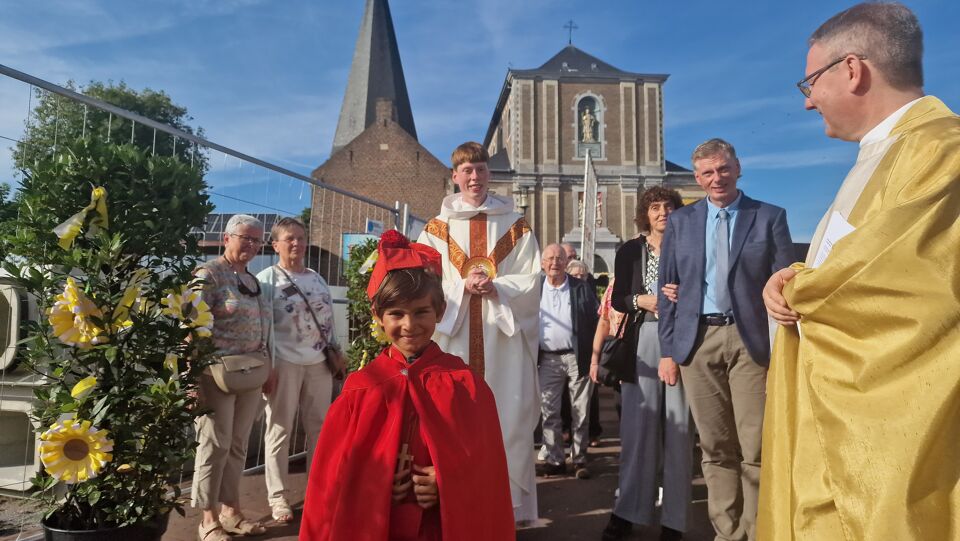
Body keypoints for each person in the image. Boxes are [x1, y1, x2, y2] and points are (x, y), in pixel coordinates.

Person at [759, 4, 960, 539]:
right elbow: (860, 263)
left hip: (885, 439)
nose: (806, 102)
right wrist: (794, 278)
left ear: (853, 69)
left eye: (810, 80)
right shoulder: (886, 154)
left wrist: (800, 287)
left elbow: (911, 293)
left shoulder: (941, 149)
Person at [299, 230, 515, 541]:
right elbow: (332, 480)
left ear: (439, 312)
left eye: (421, 312)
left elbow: (486, 472)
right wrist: (377, 481)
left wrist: (446, 481)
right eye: (396, 314)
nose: (409, 325)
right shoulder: (360, 390)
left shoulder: (466, 385)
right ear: (378, 316)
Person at [657, 139, 794, 541]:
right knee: (715, 446)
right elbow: (668, 289)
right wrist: (668, 351)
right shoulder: (681, 222)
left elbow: (787, 283)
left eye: (723, 169)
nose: (716, 178)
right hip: (696, 342)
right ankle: (728, 532)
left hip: (750, 341)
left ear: (738, 168)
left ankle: (757, 530)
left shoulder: (769, 217)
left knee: (755, 445)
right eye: (707, 172)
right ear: (697, 178)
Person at [417, 141, 541, 523]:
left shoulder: (515, 224)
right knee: (451, 419)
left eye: (481, 169)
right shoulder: (436, 229)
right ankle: (453, 503)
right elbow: (424, 280)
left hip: (501, 338)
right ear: (455, 177)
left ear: (489, 173)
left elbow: (532, 279)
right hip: (453, 337)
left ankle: (506, 507)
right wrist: (460, 288)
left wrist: (497, 287)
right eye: (467, 171)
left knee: (508, 414)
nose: (475, 177)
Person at [600, 187, 691, 541]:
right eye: (654, 207)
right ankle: (628, 511)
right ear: (645, 214)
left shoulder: (688, 245)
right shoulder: (629, 250)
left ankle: (675, 520)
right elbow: (620, 300)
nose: (662, 212)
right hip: (643, 340)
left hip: (683, 341)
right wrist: (642, 299)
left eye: (668, 206)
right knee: (638, 433)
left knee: (680, 432)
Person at [256, 217, 343, 524]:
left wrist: (336, 352)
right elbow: (259, 326)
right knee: (279, 430)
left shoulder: (317, 278)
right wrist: (267, 365)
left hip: (318, 363)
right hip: (284, 364)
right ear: (276, 244)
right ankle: (278, 497)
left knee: (320, 429)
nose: (296, 243)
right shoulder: (266, 280)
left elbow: (329, 319)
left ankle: (318, 491)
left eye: (301, 238)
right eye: (289, 238)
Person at [193, 214, 271, 541]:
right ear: (226, 238)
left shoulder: (252, 281)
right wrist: (190, 381)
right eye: (245, 238)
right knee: (214, 444)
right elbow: (191, 329)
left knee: (238, 445)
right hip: (215, 375)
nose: (251, 245)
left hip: (250, 374)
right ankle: (207, 519)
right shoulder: (208, 274)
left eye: (257, 240)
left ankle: (231, 511)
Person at [535, 244, 599, 480]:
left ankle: (579, 459)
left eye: (559, 258)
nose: (555, 263)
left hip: (577, 356)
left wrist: (594, 356)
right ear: (543, 263)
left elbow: (595, 320)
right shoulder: (535, 290)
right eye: (550, 258)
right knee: (548, 409)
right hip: (548, 358)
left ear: (566, 262)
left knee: (580, 410)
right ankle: (555, 459)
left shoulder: (581, 289)